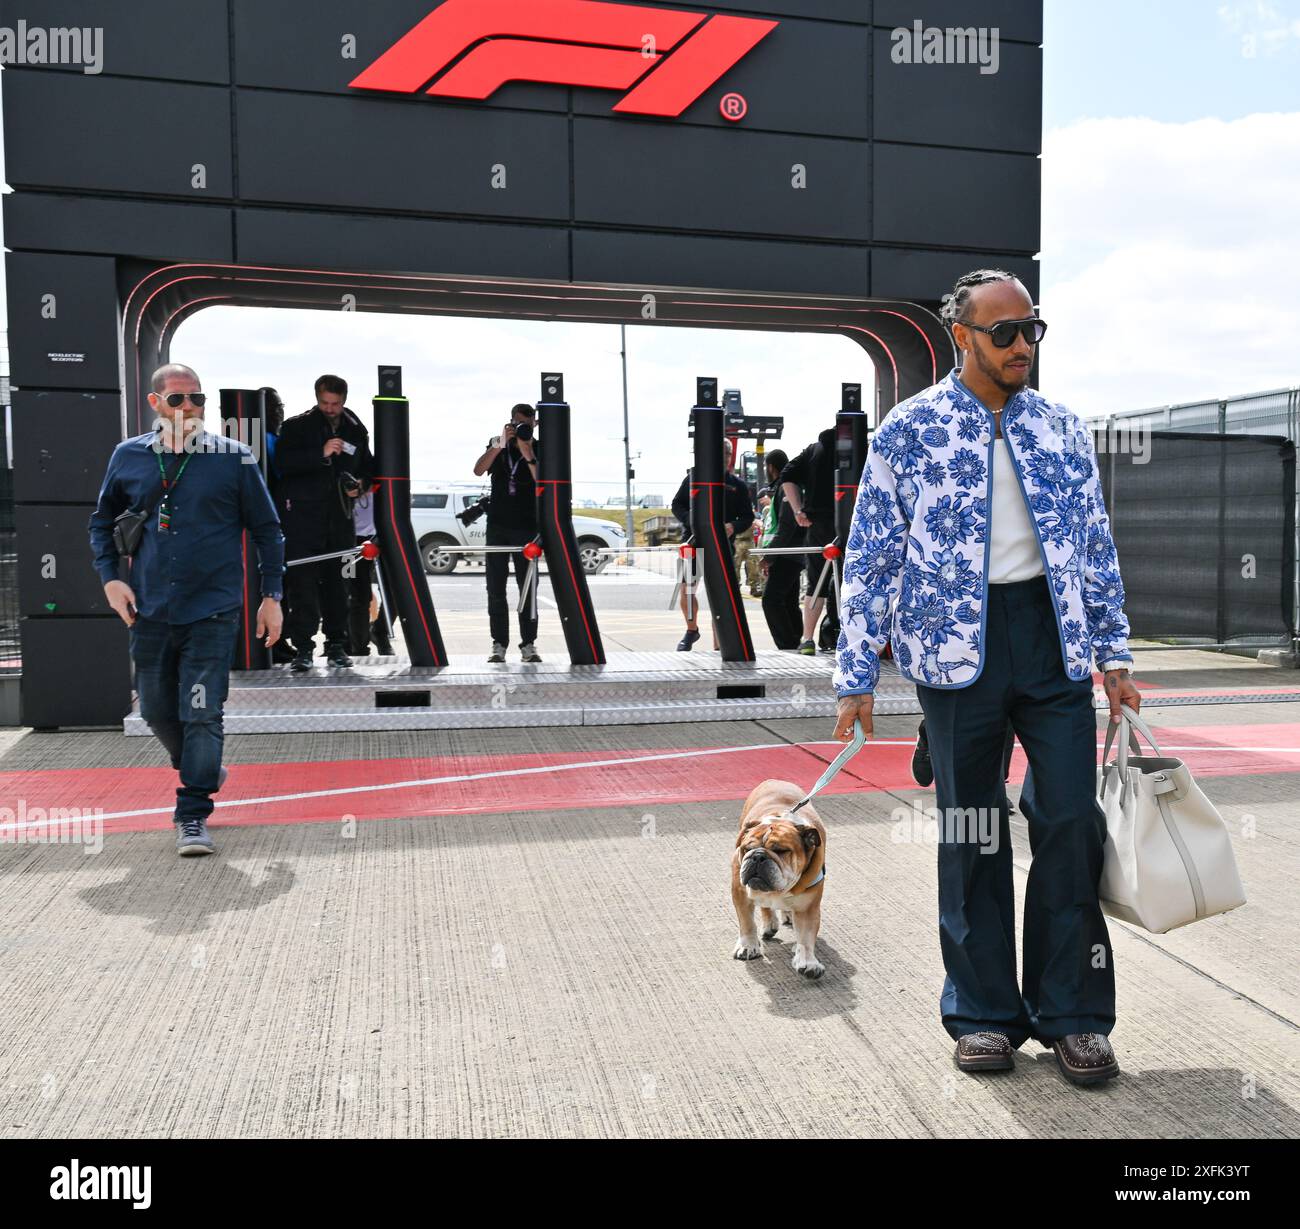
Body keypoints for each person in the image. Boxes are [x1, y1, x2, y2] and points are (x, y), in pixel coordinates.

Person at [832, 268, 1141, 1087]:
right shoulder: (910, 429)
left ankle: (1074, 1015)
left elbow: (1094, 544)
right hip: (951, 652)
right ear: (960, 336)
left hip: (1053, 641)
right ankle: (982, 1014)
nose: (1020, 347)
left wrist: (1115, 653)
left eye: (1032, 330)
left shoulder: (1062, 429)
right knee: (972, 827)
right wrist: (854, 672)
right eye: (1003, 332)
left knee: (1071, 818)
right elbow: (871, 554)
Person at [89, 363, 284, 856]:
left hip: (213, 609)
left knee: (201, 711)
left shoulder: (234, 459)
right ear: (156, 404)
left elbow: (268, 531)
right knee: (155, 709)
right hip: (149, 607)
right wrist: (111, 579)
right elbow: (101, 522)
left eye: (197, 399)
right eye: (178, 400)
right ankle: (203, 768)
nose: (191, 408)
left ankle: (192, 811)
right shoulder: (129, 456)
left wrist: (272, 597)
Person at [275, 374, 374, 672]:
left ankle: (336, 645)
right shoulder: (296, 426)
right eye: (325, 403)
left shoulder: (356, 430)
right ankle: (303, 646)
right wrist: (320, 454)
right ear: (317, 398)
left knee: (337, 583)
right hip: (304, 518)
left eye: (336, 403)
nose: (330, 408)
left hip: (340, 518)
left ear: (344, 400)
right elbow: (282, 464)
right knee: (302, 584)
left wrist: (360, 485)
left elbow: (369, 467)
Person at [472, 402, 543, 663]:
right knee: (495, 588)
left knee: (528, 587)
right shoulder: (498, 445)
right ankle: (498, 643)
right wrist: (499, 444)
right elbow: (479, 470)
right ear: (510, 422)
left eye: (527, 424)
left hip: (527, 526)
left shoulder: (538, 447)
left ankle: (529, 644)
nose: (521, 428)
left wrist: (527, 453)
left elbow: (543, 480)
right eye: (517, 424)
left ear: (535, 424)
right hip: (498, 526)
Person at [670, 436, 753, 651]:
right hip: (693, 543)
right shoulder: (694, 478)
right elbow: (676, 504)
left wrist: (733, 526)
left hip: (723, 547)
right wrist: (692, 520)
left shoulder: (738, 485)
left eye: (727, 454)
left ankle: (720, 642)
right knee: (687, 590)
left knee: (722, 595)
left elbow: (747, 517)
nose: (725, 458)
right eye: (720, 454)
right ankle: (691, 630)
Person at [780, 427, 839, 655]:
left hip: (818, 524)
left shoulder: (814, 450)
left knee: (816, 583)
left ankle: (807, 638)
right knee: (851, 581)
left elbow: (787, 475)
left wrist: (798, 511)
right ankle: (848, 636)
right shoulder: (860, 448)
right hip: (852, 521)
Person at [759, 449, 805, 650]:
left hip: (787, 554)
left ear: (770, 467)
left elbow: (786, 527)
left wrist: (769, 557)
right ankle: (795, 639)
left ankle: (787, 643)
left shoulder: (786, 488)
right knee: (788, 600)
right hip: (790, 554)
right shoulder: (785, 487)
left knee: (771, 600)